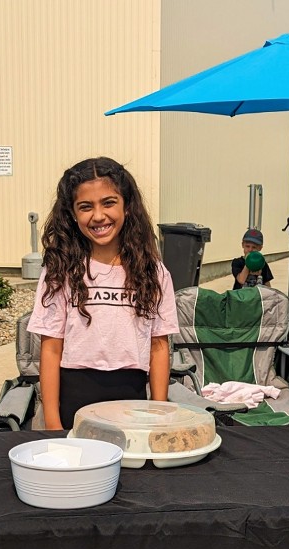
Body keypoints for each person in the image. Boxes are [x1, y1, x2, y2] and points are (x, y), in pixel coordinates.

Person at [28, 157, 178, 431]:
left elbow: (159, 347)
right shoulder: (60, 270)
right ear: (72, 214)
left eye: (108, 203)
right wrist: (52, 421)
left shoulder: (154, 272)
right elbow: (50, 348)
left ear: (128, 206)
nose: (98, 216)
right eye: (85, 207)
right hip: (73, 401)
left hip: (133, 401)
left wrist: (160, 413)